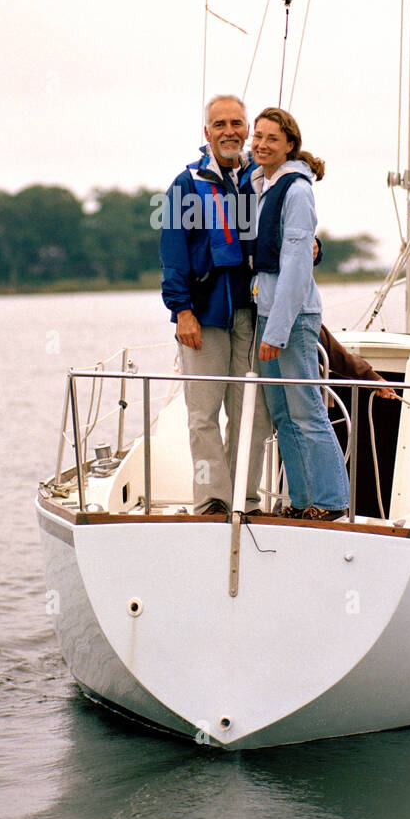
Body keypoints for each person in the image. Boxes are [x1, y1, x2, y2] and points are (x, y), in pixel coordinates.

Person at [159, 94, 271, 515]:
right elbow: (172, 255)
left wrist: (313, 246)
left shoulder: (262, 179)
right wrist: (181, 311)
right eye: (220, 124)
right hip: (202, 317)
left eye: (237, 124)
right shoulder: (186, 186)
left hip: (251, 314)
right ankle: (212, 500)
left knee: (253, 414)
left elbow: (289, 232)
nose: (230, 131)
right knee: (202, 414)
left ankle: (246, 497)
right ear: (206, 133)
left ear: (247, 129)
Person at [251, 106, 352, 520]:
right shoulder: (264, 181)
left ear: (290, 144)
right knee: (282, 413)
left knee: (306, 408)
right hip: (267, 311)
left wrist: (276, 333)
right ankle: (301, 501)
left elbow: (296, 265)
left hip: (291, 318)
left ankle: (330, 502)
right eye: (257, 136)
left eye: (272, 138)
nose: (261, 144)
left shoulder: (296, 191)